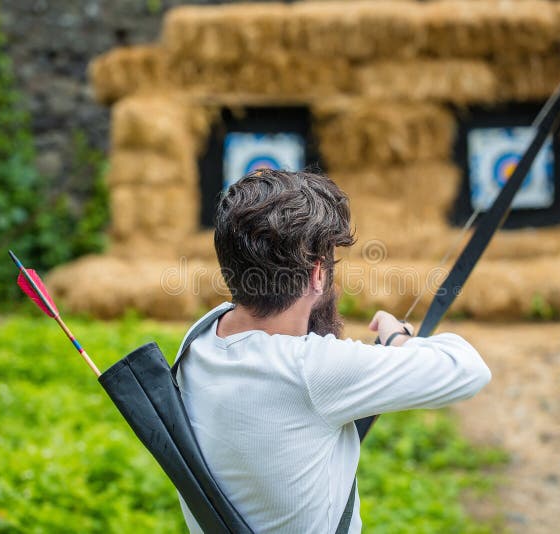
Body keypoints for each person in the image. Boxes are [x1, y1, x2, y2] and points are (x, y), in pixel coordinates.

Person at [175, 169, 491, 533]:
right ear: (317, 275)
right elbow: (468, 368)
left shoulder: (198, 341)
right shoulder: (312, 370)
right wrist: (397, 340)